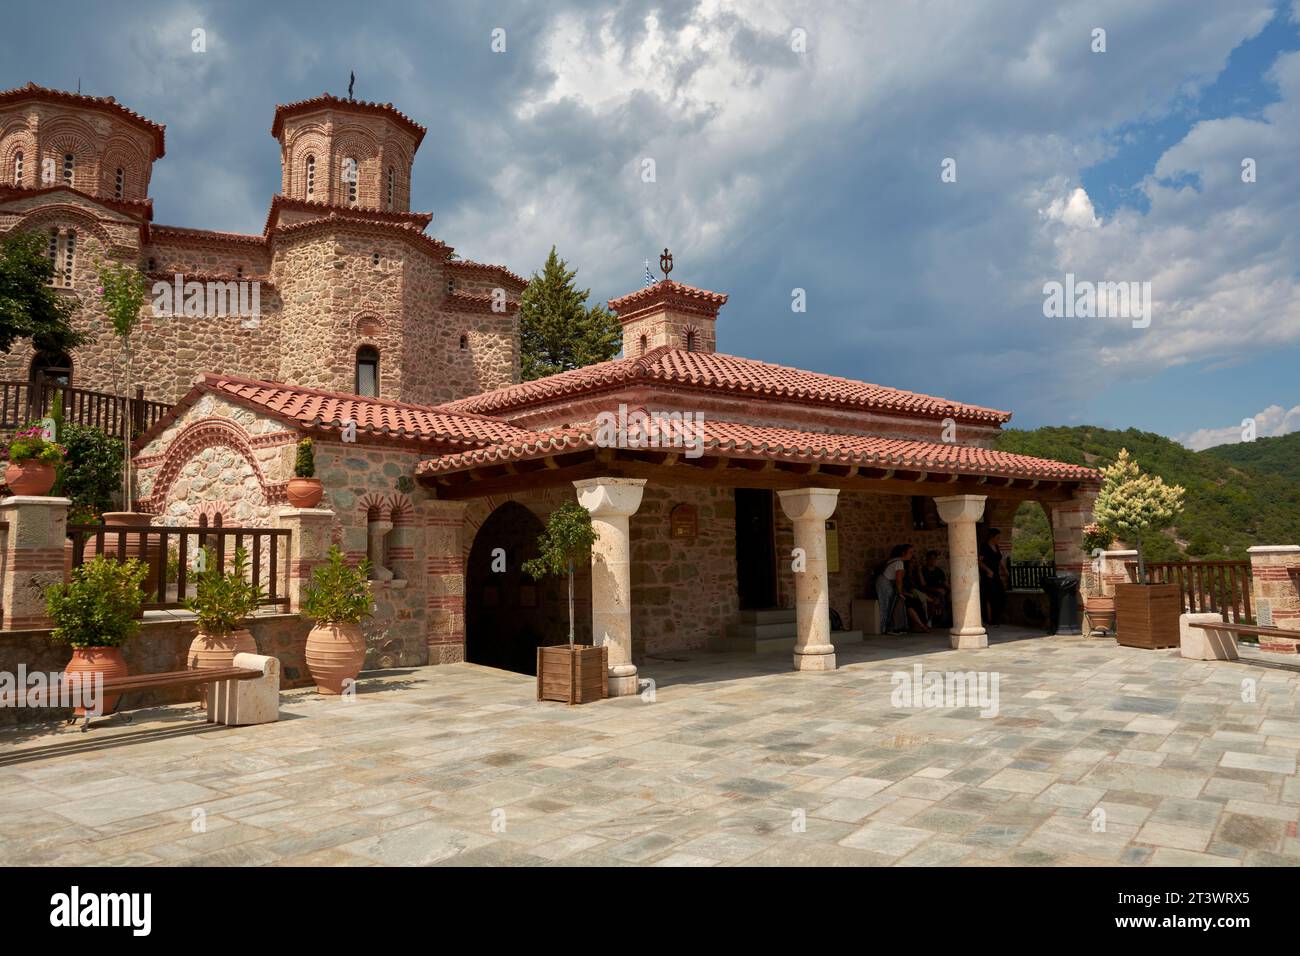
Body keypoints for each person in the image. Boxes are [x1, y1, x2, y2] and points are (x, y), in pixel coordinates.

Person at [875, 544, 929, 634]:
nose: (912, 554)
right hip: (885, 584)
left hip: (884, 582)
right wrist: (900, 592)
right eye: (910, 552)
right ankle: (886, 628)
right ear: (904, 553)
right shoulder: (899, 562)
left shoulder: (895, 560)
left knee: (888, 605)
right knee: (887, 605)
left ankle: (888, 628)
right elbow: (899, 579)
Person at [979, 528, 1008, 627]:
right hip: (987, 575)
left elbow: (999, 560)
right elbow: (979, 561)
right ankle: (990, 619)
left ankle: (996, 617)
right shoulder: (984, 547)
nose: (999, 539)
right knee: (989, 597)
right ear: (992, 537)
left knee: (1000, 595)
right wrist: (988, 570)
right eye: (997, 537)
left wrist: (1004, 570)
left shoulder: (996, 546)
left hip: (995, 574)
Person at [920, 549, 950, 627]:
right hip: (928, 590)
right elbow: (923, 585)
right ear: (927, 559)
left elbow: (945, 583)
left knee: (945, 597)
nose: (932, 561)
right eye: (930, 559)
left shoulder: (939, 571)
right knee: (938, 597)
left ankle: (943, 619)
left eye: (934, 559)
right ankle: (939, 621)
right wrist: (937, 590)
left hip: (940, 591)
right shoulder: (923, 570)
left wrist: (952, 591)